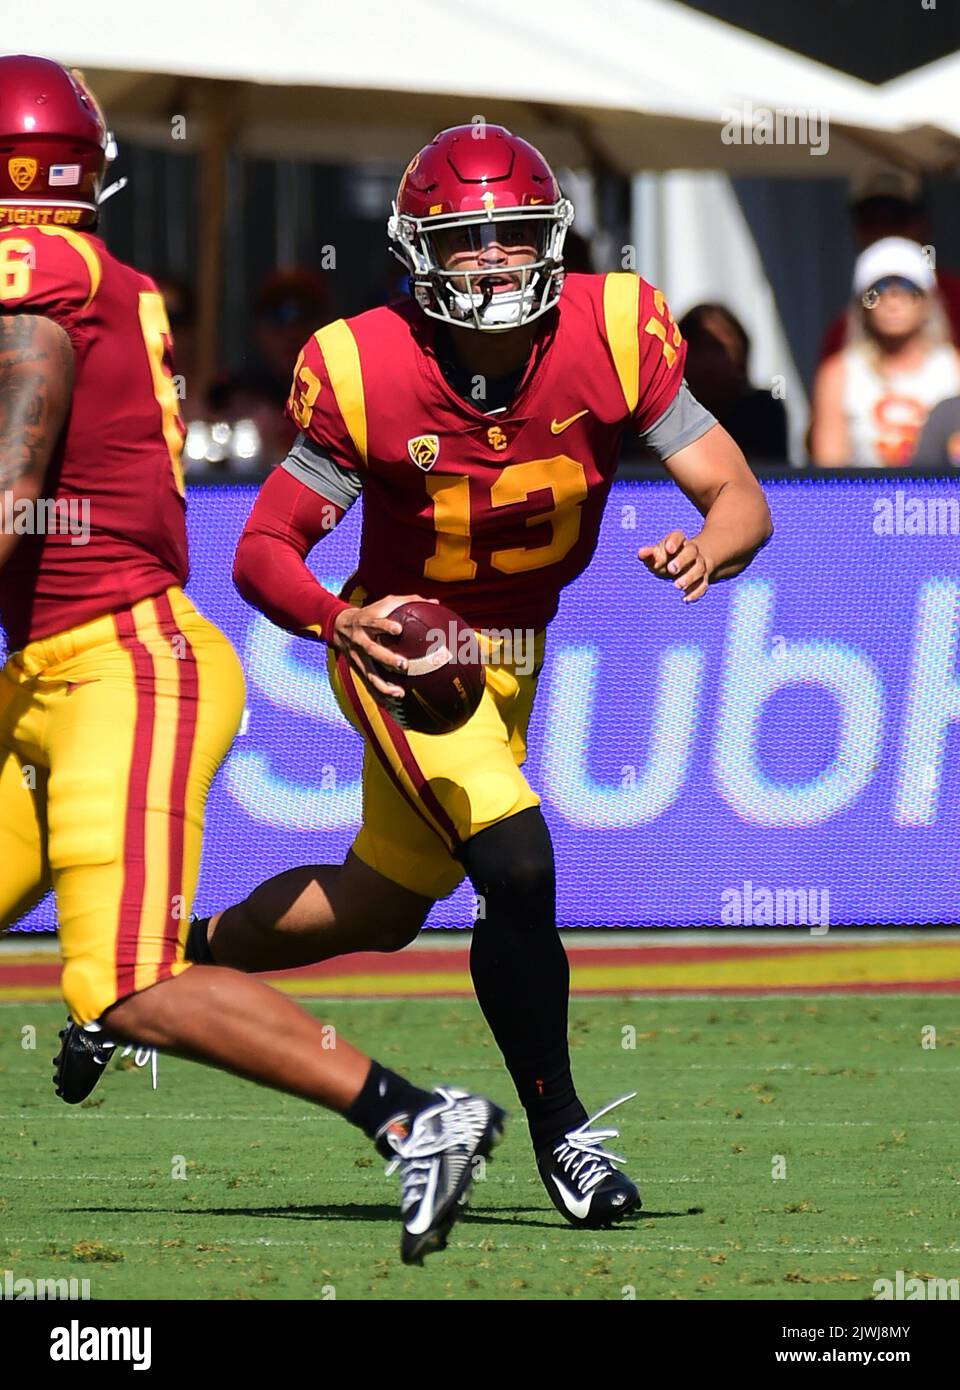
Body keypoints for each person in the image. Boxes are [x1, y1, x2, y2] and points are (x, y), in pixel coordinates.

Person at [62, 124, 773, 1229]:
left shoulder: (618, 330)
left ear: (551, 240)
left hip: (515, 659)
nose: (490, 261)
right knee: (520, 862)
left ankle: (166, 967)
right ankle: (564, 1136)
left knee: (381, 906)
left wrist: (711, 545)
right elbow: (260, 551)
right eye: (465, 239)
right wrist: (348, 625)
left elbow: (740, 496)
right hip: (408, 659)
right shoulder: (361, 363)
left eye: (510, 236)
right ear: (416, 251)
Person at [0, 56, 503, 1266]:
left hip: (123, 667)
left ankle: (413, 1113)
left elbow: (12, 486)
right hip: (49, 674)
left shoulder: (42, 271)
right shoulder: (90, 269)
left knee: (126, 986)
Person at [810, 237, 960, 467]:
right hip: (861, 500)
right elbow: (829, 473)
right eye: (877, 292)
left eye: (908, 290)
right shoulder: (838, 375)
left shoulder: (954, 368)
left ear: (928, 301)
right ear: (861, 305)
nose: (893, 303)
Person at [818, 166, 960, 363]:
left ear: (922, 224)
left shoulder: (956, 299)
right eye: (870, 221)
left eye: (896, 219)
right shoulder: (842, 332)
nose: (884, 232)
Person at [678, 303, 787, 465]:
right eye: (698, 347)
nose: (708, 360)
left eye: (718, 349)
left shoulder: (763, 410)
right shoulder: (664, 413)